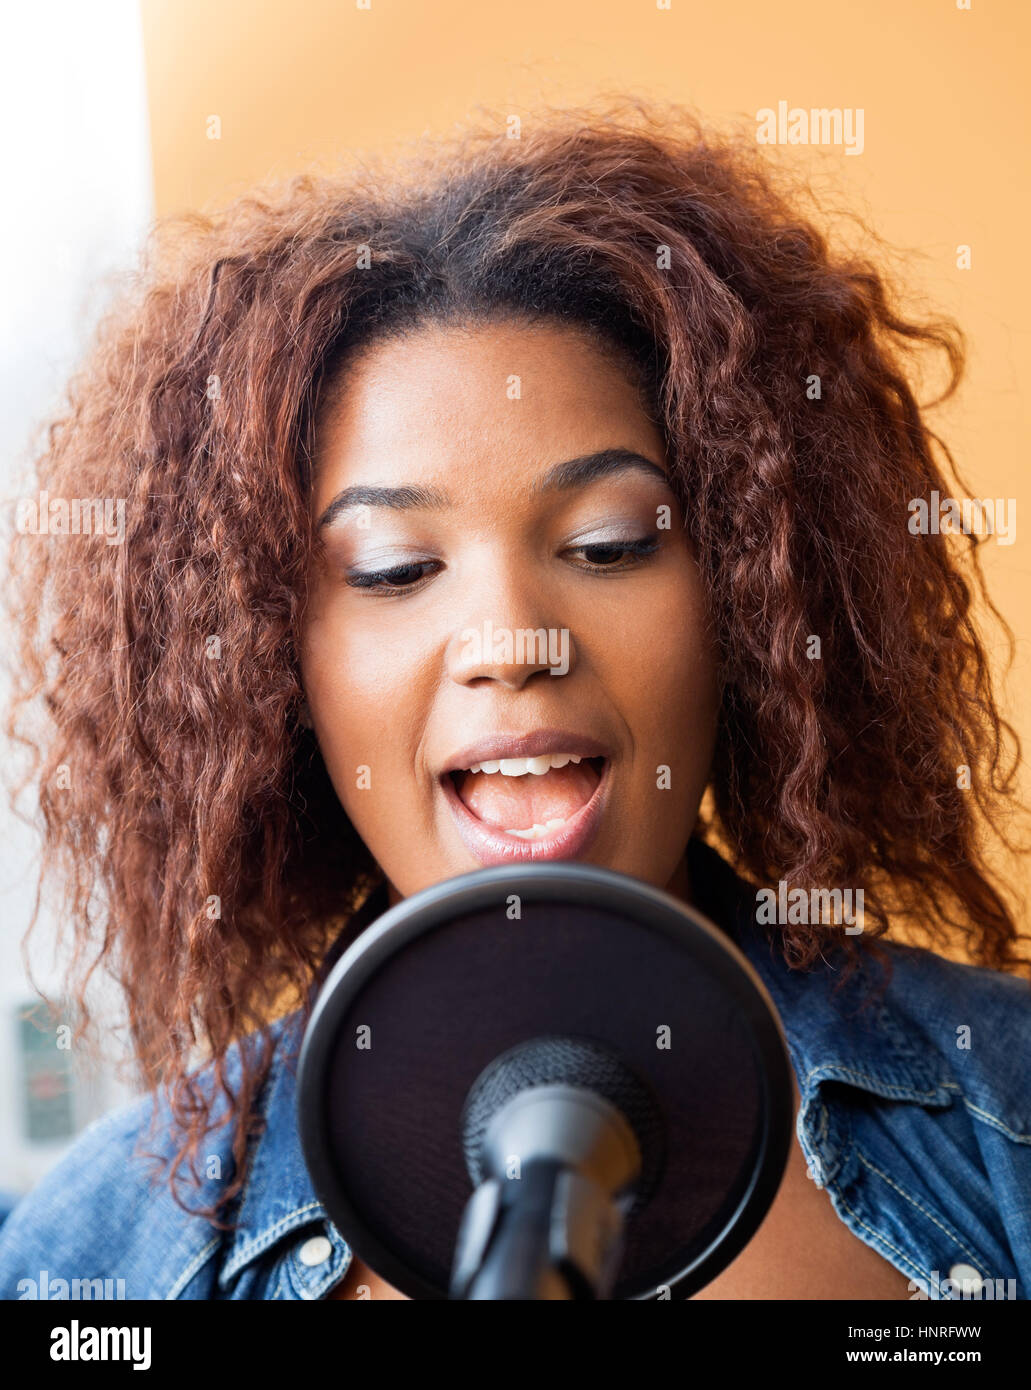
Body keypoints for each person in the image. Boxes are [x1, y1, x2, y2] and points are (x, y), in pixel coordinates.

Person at [1, 96, 1028, 1301]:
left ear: (746, 601)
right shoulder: (88, 1264)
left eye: (604, 545)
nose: (512, 639)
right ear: (278, 666)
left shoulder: (999, 1119)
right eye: (393, 568)